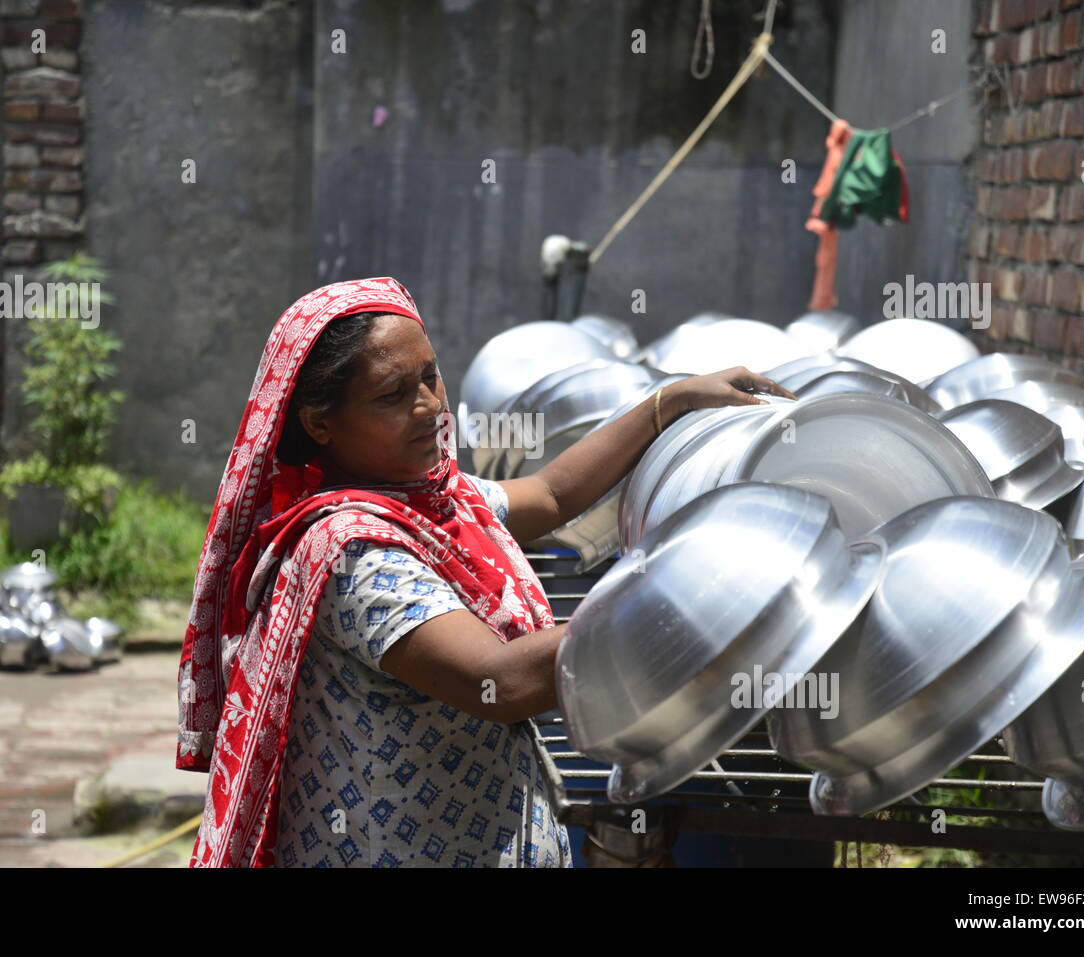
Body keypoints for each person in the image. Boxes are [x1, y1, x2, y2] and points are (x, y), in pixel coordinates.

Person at [175, 276, 794, 867]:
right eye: (392, 396)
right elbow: (499, 682)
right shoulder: (350, 553)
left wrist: (669, 402)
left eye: (431, 377)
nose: (427, 407)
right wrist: (684, 594)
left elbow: (549, 495)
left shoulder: (432, 498)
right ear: (320, 424)